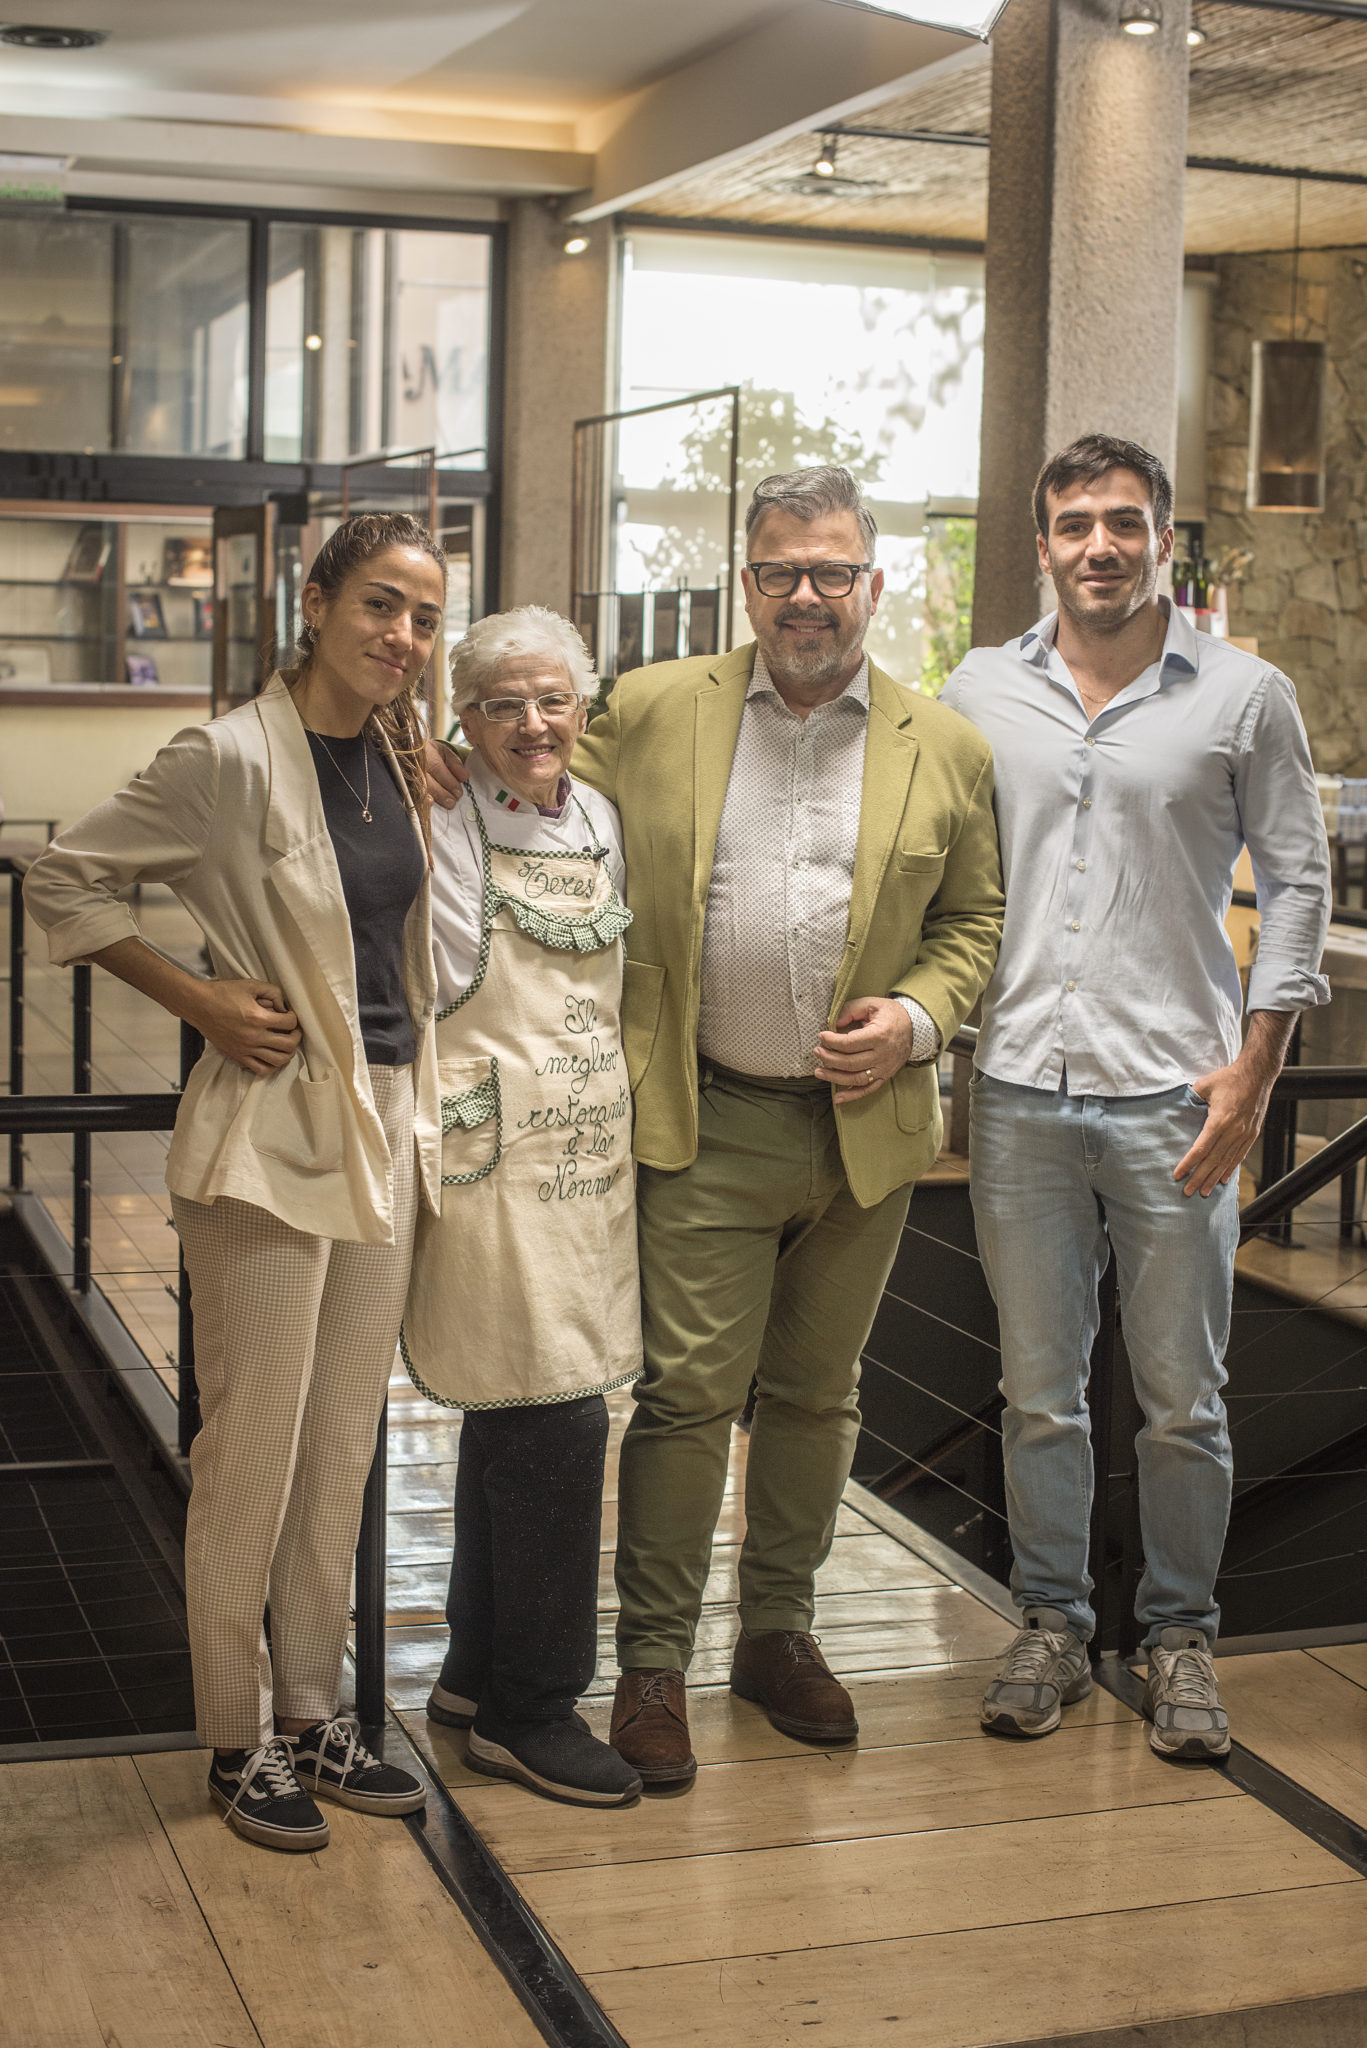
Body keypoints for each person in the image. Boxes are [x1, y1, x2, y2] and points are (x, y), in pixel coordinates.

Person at [433, 465, 1003, 1784]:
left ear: (873, 581)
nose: (803, 595)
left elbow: (973, 923)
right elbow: (519, 767)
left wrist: (915, 1020)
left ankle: (778, 1637)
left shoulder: (947, 746)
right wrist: (434, 753)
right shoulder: (648, 709)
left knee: (818, 1396)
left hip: (864, 1127)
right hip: (707, 1116)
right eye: (777, 571)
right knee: (685, 1398)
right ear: (744, 582)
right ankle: (649, 1667)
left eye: (830, 570)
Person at [24, 512, 447, 1849]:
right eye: (380, 605)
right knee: (248, 1453)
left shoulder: (390, 760)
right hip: (268, 1133)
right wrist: (199, 998)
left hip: (381, 1122)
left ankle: (315, 1707)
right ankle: (232, 1734)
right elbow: (64, 880)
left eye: (425, 618)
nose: (402, 639)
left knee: (340, 1446)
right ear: (315, 603)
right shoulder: (228, 756)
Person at [941, 433, 1333, 1758]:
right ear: (1040, 544)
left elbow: (1295, 883)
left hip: (1178, 1096)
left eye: (1120, 521)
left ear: (1162, 536)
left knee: (1183, 1398)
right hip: (1016, 1095)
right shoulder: (980, 688)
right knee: (1038, 1388)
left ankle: (1177, 1638)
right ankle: (1049, 1621)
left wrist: (1253, 1070)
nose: (1095, 545)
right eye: (1071, 525)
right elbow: (934, 863)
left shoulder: (1242, 694)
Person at [407, 606, 643, 1809]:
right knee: (555, 1418)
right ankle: (531, 1708)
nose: (532, 725)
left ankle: (471, 1675)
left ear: (584, 707)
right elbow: (431, 976)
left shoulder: (597, 815)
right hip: (492, 1157)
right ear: (465, 716)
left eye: (552, 700)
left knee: (520, 1407)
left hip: (590, 1160)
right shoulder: (438, 815)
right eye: (502, 704)